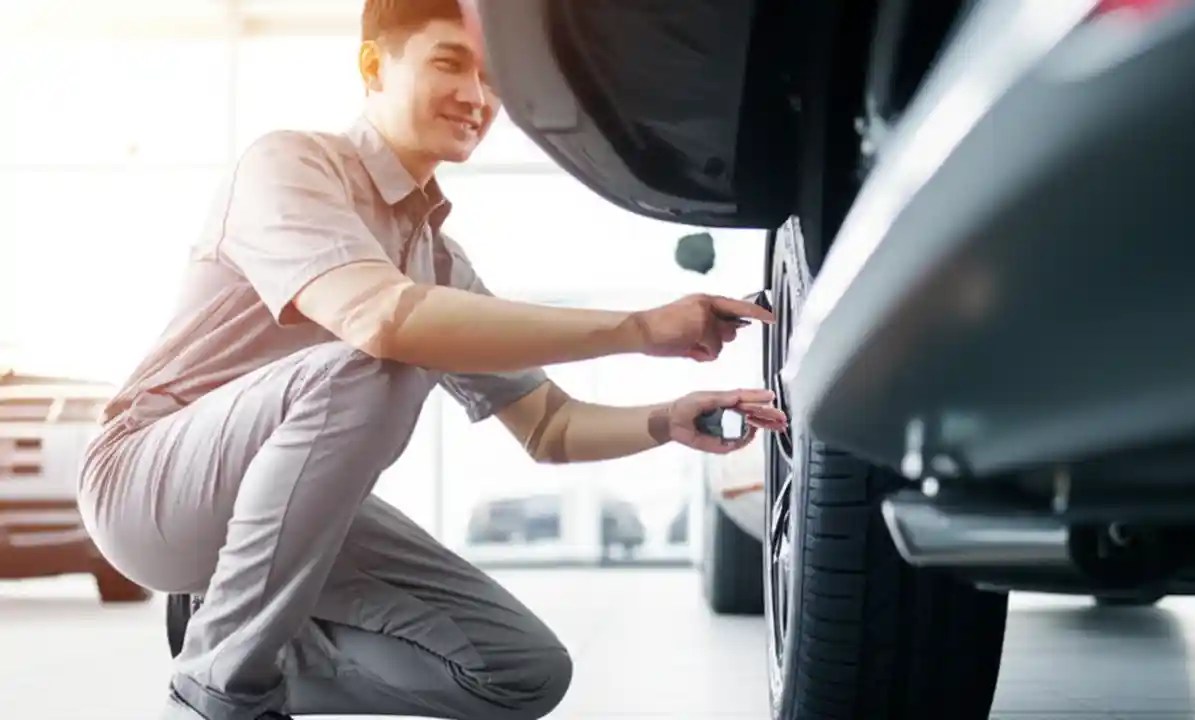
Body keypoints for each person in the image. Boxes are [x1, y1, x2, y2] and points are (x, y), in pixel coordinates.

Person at [75, 1, 785, 718]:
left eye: (494, 77)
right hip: (147, 485)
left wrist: (669, 418)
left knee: (522, 670)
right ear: (373, 65)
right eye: (450, 63)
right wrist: (638, 327)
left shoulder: (437, 260)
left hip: (278, 516)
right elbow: (382, 321)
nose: (477, 98)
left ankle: (249, 638)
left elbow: (551, 429)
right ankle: (214, 690)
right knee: (378, 357)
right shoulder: (291, 163)